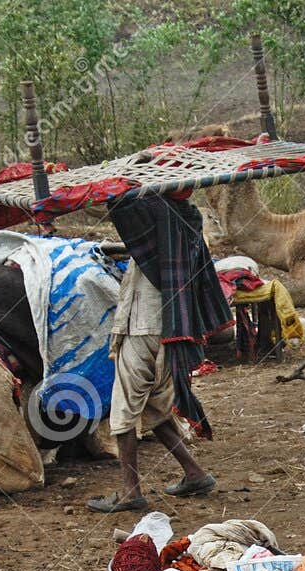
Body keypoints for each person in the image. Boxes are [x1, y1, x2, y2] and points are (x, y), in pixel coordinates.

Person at [89, 192, 227, 513]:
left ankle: (130, 490)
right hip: (172, 328)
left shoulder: (154, 215)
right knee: (156, 404)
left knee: (123, 409)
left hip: (142, 326)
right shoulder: (188, 218)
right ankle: (194, 473)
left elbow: (121, 204)